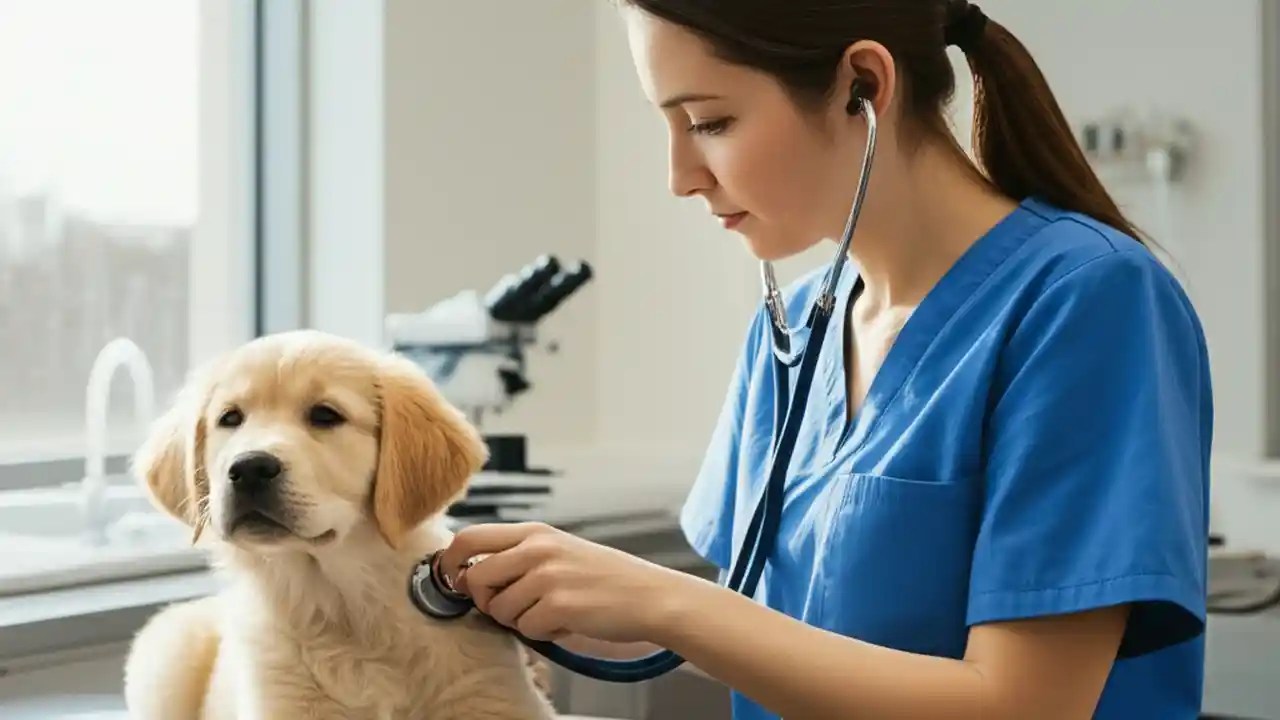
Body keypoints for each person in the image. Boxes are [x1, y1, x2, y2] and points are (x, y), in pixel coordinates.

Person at [440, 1, 1213, 718]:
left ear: (863, 85)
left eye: (709, 122)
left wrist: (663, 603)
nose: (680, 177)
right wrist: (553, 599)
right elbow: (768, 634)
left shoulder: (1088, 299)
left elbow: (1024, 705)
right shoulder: (793, 333)